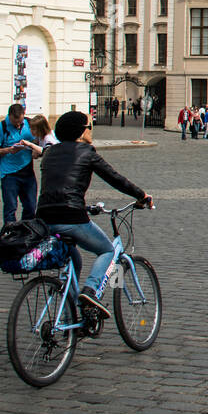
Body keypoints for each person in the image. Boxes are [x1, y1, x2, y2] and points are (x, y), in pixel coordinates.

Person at [37, 111, 153, 322]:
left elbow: (57, 184)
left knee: (75, 259)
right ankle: (90, 291)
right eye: (89, 127)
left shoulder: (50, 153)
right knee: (107, 250)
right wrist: (141, 195)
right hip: (71, 216)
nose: (91, 131)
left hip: (44, 219)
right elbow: (115, 178)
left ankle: (71, 315)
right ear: (81, 132)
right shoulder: (86, 151)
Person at [0, 103, 37, 223]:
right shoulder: (2, 127)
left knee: (31, 206)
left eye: (20, 121)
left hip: (27, 172)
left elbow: (40, 139)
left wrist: (34, 146)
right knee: (10, 208)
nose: (18, 124)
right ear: (9, 116)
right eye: (15, 122)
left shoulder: (30, 124)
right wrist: (9, 150)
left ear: (23, 115)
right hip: (9, 174)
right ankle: (11, 234)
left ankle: (26, 232)